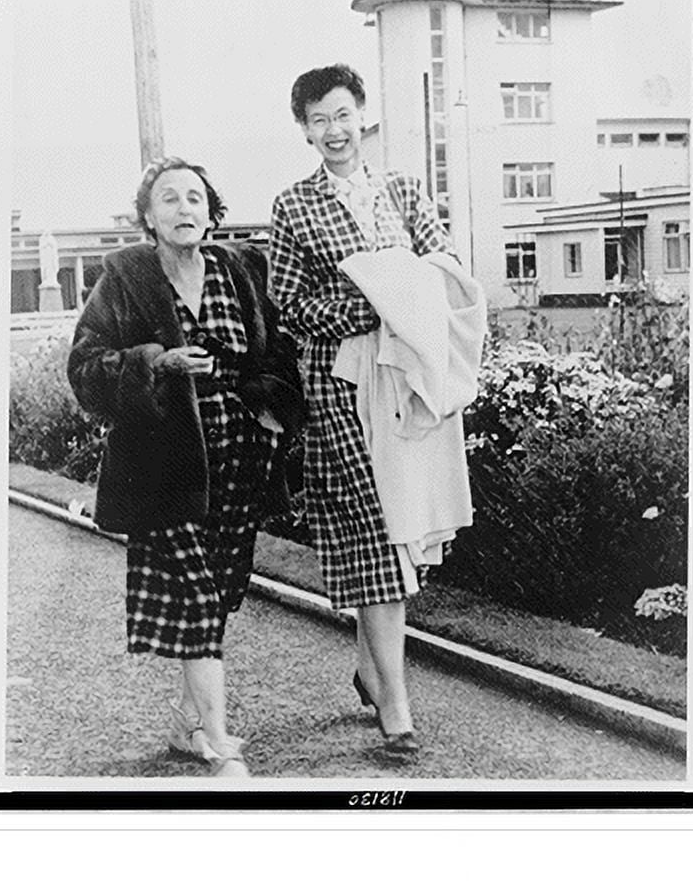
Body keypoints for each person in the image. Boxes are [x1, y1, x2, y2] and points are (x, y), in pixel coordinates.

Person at [67, 156, 303, 778]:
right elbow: (86, 365)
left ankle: (184, 725)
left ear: (211, 210)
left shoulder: (241, 267)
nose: (184, 209)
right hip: (163, 469)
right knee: (198, 599)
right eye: (168, 199)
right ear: (148, 215)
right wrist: (157, 363)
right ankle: (221, 741)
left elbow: (278, 354)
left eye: (194, 198)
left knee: (218, 599)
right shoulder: (125, 275)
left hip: (240, 467)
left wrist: (272, 408)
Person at [268, 64, 465, 755]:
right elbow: (292, 306)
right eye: (318, 119)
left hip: (407, 381)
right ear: (303, 129)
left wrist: (399, 290)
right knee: (377, 533)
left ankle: (367, 669)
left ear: (362, 116)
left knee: (397, 529)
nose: (334, 131)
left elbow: (442, 266)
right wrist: (379, 296)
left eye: (343, 114)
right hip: (337, 388)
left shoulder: (404, 189)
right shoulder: (292, 207)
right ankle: (397, 707)